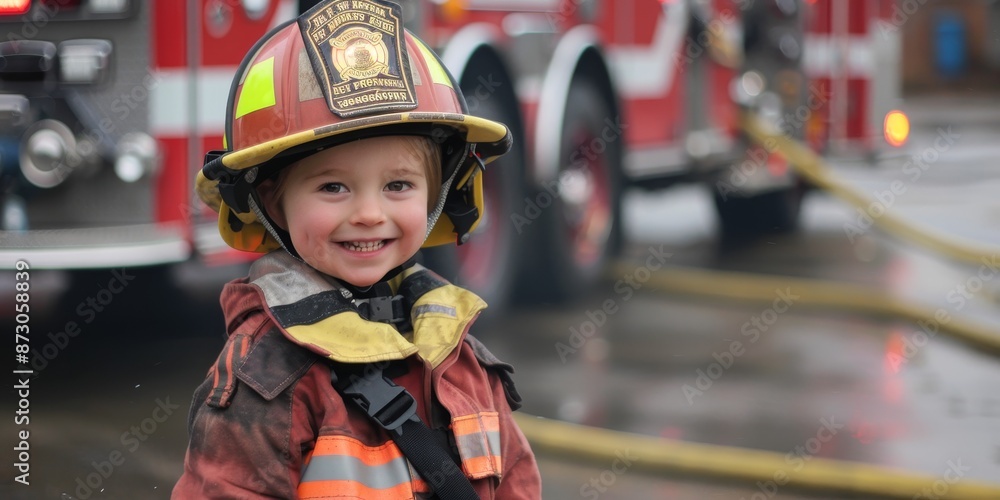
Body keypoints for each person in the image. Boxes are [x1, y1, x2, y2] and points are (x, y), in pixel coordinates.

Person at [171, 0, 541, 497]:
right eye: (333, 188)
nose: (370, 213)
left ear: (439, 195)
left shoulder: (457, 349)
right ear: (270, 203)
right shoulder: (265, 375)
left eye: (398, 186)